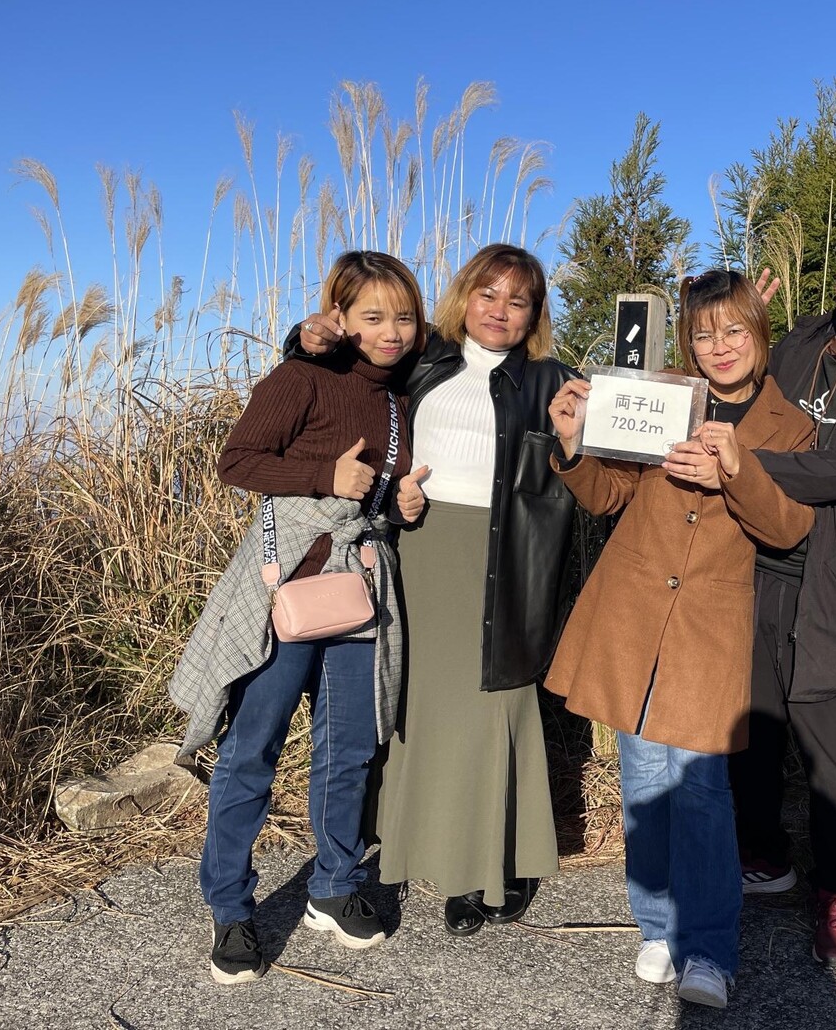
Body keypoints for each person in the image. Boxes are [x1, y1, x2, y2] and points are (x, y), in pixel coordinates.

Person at [670, 214, 836, 964]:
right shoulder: (795, 345)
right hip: (755, 567)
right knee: (750, 731)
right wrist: (729, 327)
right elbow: (729, 392)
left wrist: (738, 465)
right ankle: (763, 856)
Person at [545, 269, 815, 1008]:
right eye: (702, 332)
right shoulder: (663, 397)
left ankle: (709, 950)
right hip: (634, 612)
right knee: (642, 779)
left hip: (711, 627)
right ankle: (656, 928)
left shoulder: (791, 426)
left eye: (733, 330)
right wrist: (572, 445)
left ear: (759, 332)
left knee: (700, 791)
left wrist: (736, 470)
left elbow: (788, 527)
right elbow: (608, 495)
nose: (718, 346)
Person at [293, 243, 577, 937]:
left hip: (508, 559)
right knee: (415, 702)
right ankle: (414, 844)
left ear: (534, 312)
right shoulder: (424, 359)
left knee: (495, 707)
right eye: (488, 293)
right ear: (464, 296)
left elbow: (600, 466)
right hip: (418, 547)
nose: (500, 310)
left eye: (518, 299)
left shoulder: (557, 380)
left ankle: (486, 866)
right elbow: (338, 368)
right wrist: (304, 338)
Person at [169, 250, 427, 984]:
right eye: (372, 316)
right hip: (290, 582)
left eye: (403, 315)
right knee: (253, 747)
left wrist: (401, 502)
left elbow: (381, 489)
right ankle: (230, 908)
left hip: (360, 585)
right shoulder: (302, 377)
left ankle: (334, 887)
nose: (391, 331)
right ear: (337, 318)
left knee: (348, 748)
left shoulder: (399, 394)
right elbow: (236, 461)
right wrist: (325, 476)